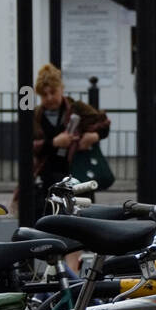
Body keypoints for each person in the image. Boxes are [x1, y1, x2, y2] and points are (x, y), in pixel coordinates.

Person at [32, 63, 111, 217]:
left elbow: (104, 124)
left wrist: (93, 137)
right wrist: (54, 143)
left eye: (53, 92)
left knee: (81, 220)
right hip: (47, 177)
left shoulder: (77, 108)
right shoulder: (36, 115)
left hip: (77, 175)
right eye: (43, 95)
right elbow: (30, 145)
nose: (49, 98)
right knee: (49, 219)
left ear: (61, 89)